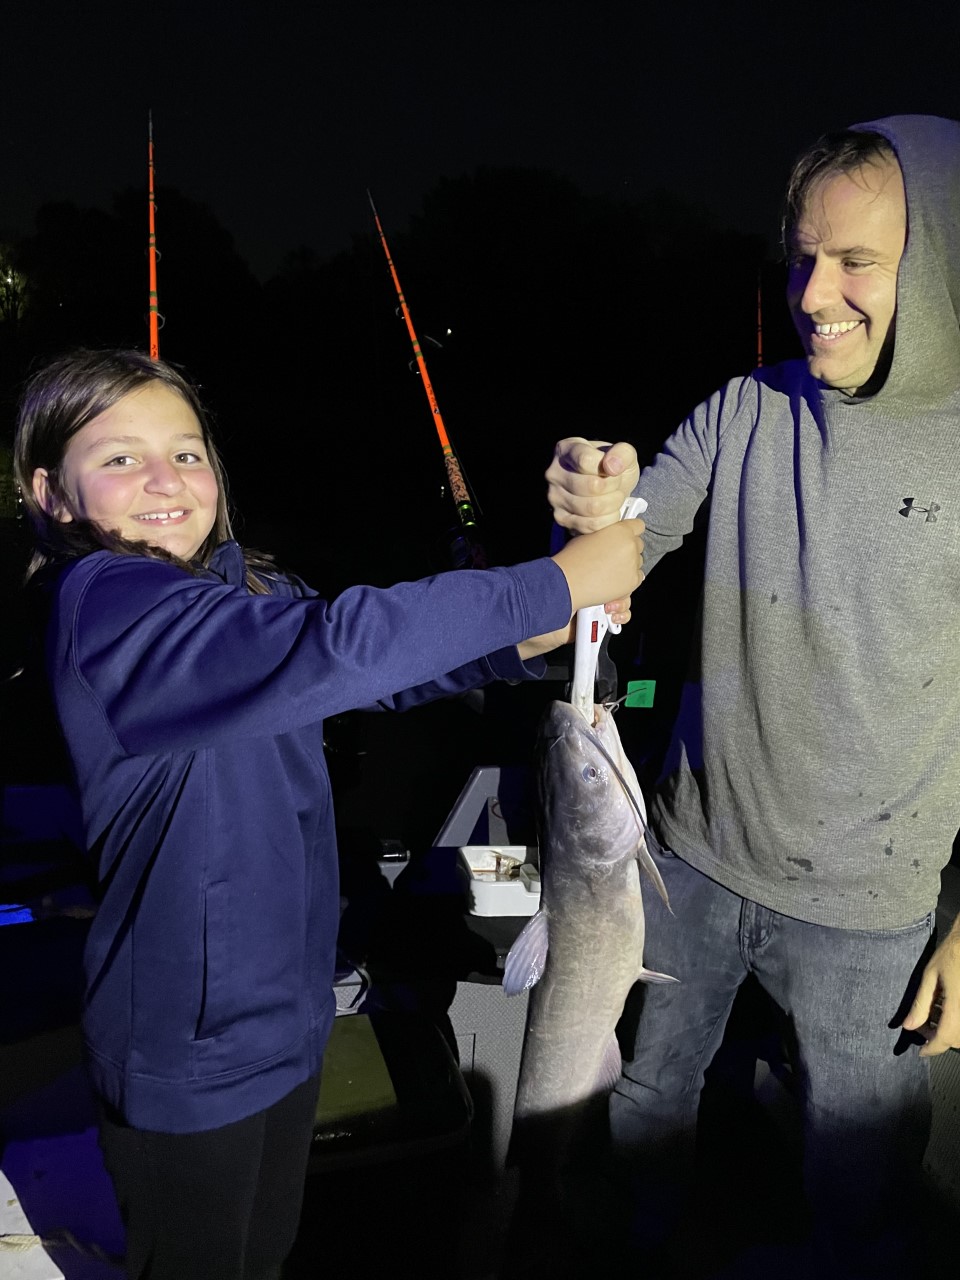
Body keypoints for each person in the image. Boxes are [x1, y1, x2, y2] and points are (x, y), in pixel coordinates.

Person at [12, 347, 644, 1280]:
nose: (165, 481)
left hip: (288, 1022)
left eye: (187, 454)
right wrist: (551, 583)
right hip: (187, 1059)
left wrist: (538, 627)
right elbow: (338, 648)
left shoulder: (249, 592)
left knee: (264, 1258)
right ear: (50, 495)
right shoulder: (105, 606)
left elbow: (381, 673)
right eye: (118, 459)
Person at [545, 115, 960, 1276]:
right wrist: (594, 499)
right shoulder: (743, 411)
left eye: (857, 261)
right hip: (686, 854)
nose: (812, 291)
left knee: (861, 1166)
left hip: (873, 903)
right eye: (802, 255)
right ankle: (634, 1240)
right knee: (648, 1096)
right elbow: (626, 544)